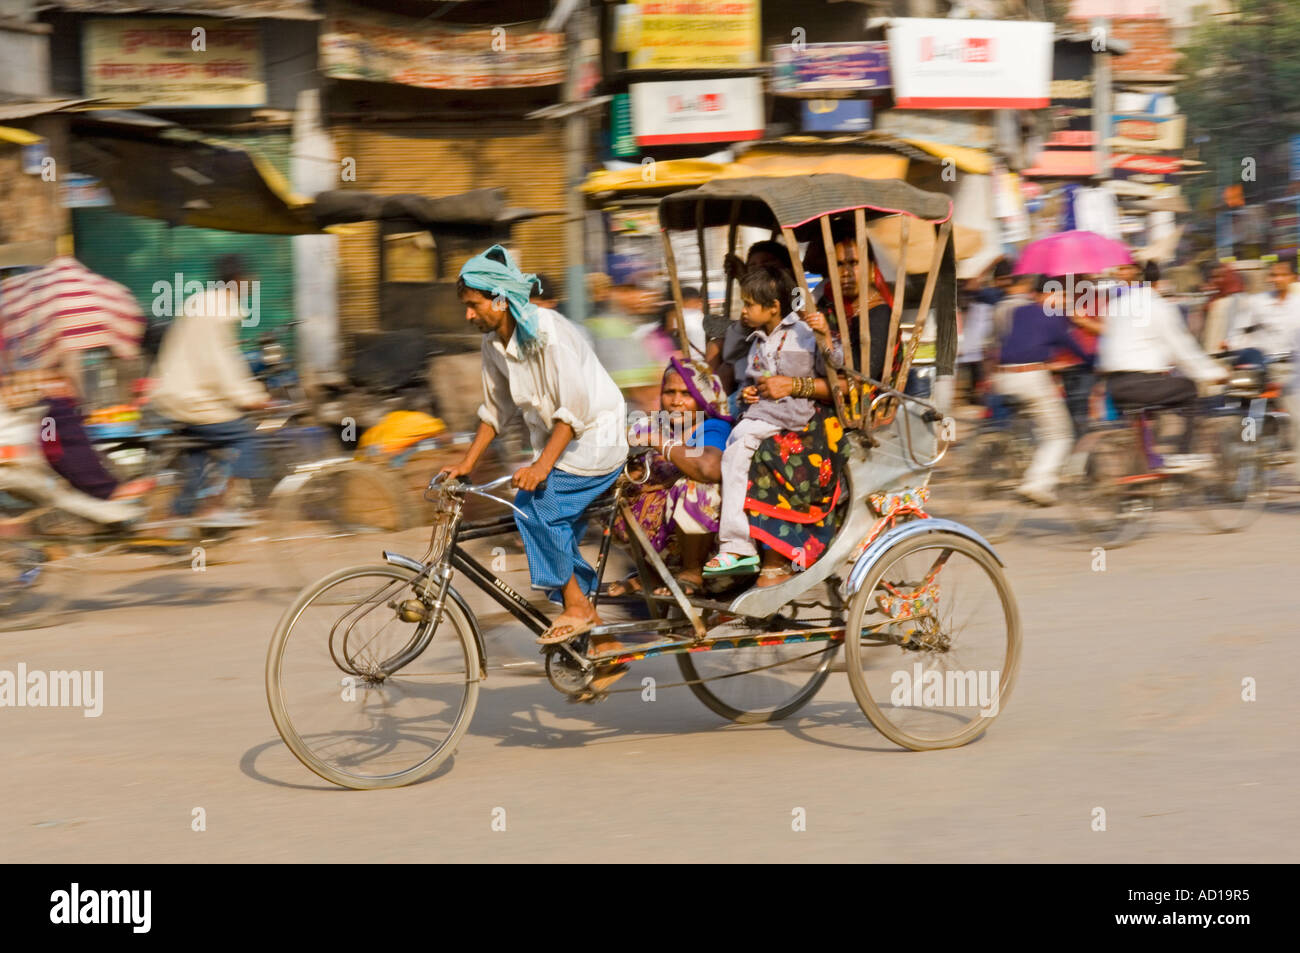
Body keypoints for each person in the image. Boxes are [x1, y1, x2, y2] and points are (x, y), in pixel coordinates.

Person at [438, 244, 628, 648]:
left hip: (597, 439)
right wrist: (465, 465)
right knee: (540, 528)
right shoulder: (494, 345)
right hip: (561, 447)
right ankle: (603, 644)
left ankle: (578, 608)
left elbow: (572, 410)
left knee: (535, 509)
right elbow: (495, 410)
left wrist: (541, 467)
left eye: (473, 305)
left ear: (501, 300)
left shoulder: (550, 333)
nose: (468, 315)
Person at [704, 265, 833, 578]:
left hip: (789, 414)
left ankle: (737, 546)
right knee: (735, 443)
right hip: (764, 411)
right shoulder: (760, 339)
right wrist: (750, 391)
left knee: (736, 450)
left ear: (773, 308)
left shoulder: (801, 334)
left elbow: (831, 364)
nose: (743, 311)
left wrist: (825, 336)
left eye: (749, 305)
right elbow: (756, 378)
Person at [148, 255, 270, 523]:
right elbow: (220, 364)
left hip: (174, 396)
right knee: (244, 436)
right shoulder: (219, 311)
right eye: (248, 280)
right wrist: (251, 397)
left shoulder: (203, 302)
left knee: (198, 455)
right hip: (192, 399)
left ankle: (180, 517)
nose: (251, 285)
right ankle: (219, 504)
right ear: (238, 280)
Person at [611, 358, 730, 596]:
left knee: (696, 486)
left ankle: (692, 572)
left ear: (703, 397)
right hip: (668, 535)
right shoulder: (657, 424)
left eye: (686, 393)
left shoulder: (713, 427)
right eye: (669, 392)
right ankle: (652, 571)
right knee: (607, 489)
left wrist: (658, 443)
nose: (676, 401)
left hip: (709, 545)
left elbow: (709, 469)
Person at [1096, 263, 1228, 470]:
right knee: (1189, 389)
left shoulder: (1116, 305)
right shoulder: (1159, 306)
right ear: (1158, 284)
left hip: (1115, 385)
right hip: (1141, 383)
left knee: (1154, 403)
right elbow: (1182, 349)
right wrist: (1213, 374)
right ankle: (1185, 453)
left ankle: (1149, 459)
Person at [992, 275, 1092, 506]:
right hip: (1030, 377)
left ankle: (1026, 457)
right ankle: (1037, 484)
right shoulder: (1055, 315)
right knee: (1060, 435)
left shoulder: (1018, 312)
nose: (1064, 298)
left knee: (1041, 421)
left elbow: (1023, 342)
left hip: (1003, 377)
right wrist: (1093, 361)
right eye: (1060, 293)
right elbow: (1073, 346)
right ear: (1048, 295)